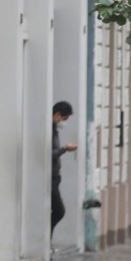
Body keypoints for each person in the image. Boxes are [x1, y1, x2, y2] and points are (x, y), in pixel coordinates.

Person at [50, 101, 77, 237]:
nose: (64, 123)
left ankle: (46, 237)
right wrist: (65, 148)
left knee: (57, 210)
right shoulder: (50, 130)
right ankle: (46, 237)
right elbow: (50, 154)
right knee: (59, 211)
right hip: (51, 178)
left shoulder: (54, 130)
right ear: (57, 115)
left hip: (55, 177)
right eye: (64, 119)